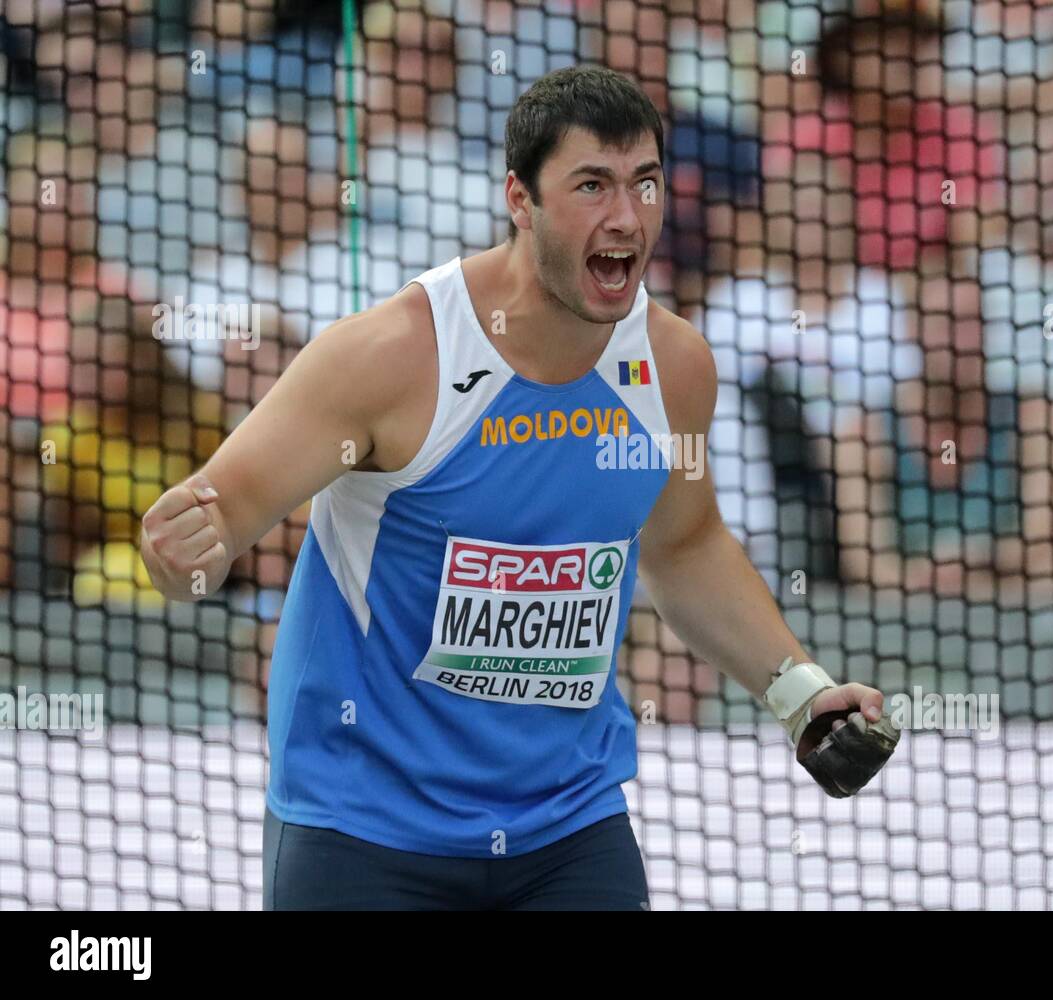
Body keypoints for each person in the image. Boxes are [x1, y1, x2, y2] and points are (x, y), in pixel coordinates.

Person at [140, 65, 898, 911]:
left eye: (645, 185)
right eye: (591, 186)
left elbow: (683, 548)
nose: (626, 217)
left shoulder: (673, 367)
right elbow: (219, 518)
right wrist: (180, 555)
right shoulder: (393, 357)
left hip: (564, 830)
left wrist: (799, 693)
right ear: (520, 200)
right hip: (363, 829)